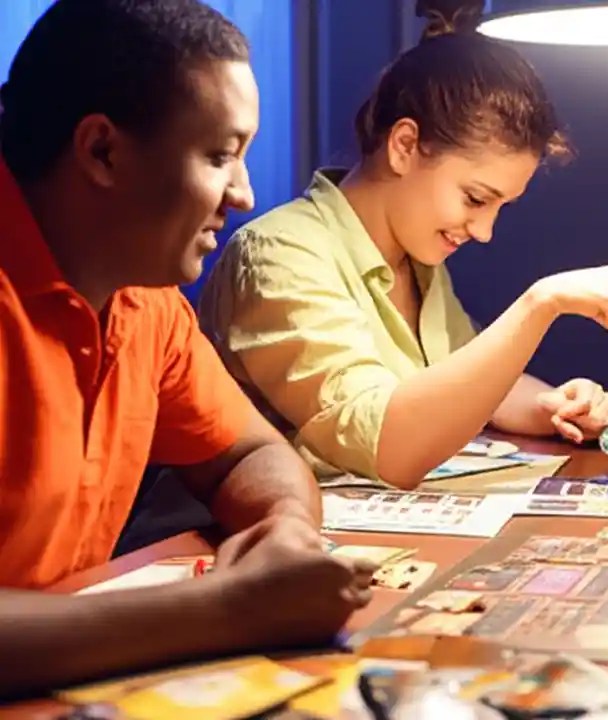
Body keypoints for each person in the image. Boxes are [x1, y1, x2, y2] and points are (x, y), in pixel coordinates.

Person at [0, 0, 374, 696]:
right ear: (102, 151)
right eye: (220, 156)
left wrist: (284, 531)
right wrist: (227, 611)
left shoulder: (145, 300)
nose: (245, 194)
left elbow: (250, 453)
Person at [199, 1, 608, 490]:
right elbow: (389, 447)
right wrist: (543, 302)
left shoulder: (416, 259)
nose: (484, 230)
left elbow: (466, 379)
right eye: (475, 199)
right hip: (249, 538)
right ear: (405, 146)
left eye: (500, 207)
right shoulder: (279, 256)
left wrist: (554, 406)